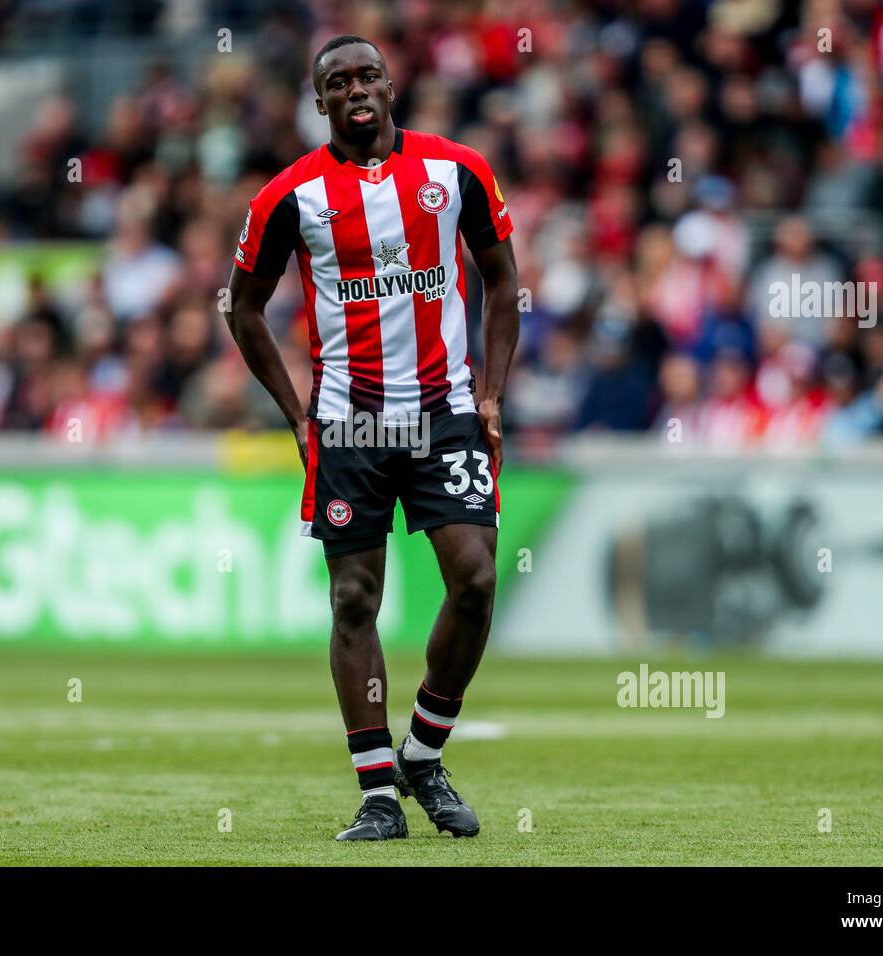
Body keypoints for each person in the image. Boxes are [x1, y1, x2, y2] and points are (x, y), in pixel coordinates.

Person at [226, 35, 519, 841]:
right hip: (349, 420)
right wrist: (294, 413)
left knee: (476, 583)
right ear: (319, 102)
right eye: (337, 82)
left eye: (367, 76)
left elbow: (502, 279)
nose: (356, 90)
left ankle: (423, 753)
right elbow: (241, 307)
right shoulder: (288, 197)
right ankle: (379, 794)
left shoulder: (456, 171)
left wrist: (491, 394)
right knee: (355, 599)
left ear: (391, 87)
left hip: (445, 409)